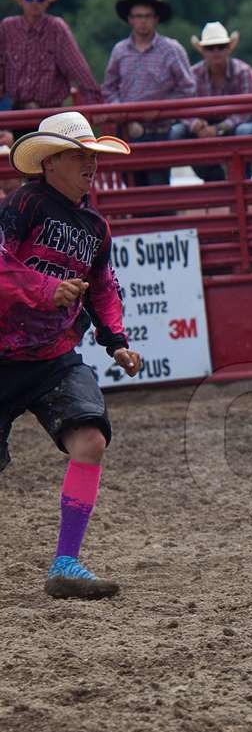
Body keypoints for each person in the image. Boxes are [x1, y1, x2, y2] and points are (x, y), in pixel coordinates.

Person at [1, 111, 140, 598]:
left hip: (53, 354)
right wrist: (46, 289)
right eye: (80, 156)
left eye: (92, 156)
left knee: (90, 439)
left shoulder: (95, 226)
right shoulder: (23, 206)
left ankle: (66, 563)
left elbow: (102, 286)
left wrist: (117, 340)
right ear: (51, 162)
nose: (90, 165)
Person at [102, 0, 196, 187]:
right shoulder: (120, 51)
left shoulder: (171, 49)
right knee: (131, 183)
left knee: (157, 184)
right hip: (128, 127)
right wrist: (122, 112)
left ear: (155, 19)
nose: (142, 21)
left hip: (160, 127)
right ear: (130, 19)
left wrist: (161, 108)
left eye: (147, 16)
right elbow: (109, 88)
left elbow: (188, 87)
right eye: (138, 16)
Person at [1, 0, 101, 110]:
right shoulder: (8, 27)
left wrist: (95, 103)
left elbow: (77, 68)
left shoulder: (56, 28)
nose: (35, 2)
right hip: (14, 111)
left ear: (47, 1)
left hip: (48, 111)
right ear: (20, 0)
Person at [180, 23, 252, 182]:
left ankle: (241, 180)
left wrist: (218, 129)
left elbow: (248, 111)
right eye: (210, 48)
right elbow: (183, 106)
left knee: (244, 132)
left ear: (229, 48)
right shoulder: (193, 74)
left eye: (221, 47)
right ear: (203, 51)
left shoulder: (243, 71)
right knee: (178, 134)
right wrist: (195, 124)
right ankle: (213, 177)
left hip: (237, 125)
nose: (216, 52)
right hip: (207, 127)